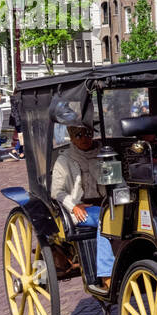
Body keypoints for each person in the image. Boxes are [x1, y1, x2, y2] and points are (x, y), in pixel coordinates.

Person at [51, 123, 112, 291]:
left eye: (88, 134)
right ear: (71, 138)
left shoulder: (104, 154)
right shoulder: (64, 160)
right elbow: (57, 192)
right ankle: (106, 274)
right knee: (105, 219)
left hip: (107, 202)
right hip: (82, 208)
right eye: (79, 136)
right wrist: (74, 206)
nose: (84, 139)